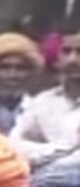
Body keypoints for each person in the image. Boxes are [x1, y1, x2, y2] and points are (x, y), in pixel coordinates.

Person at [12, 24, 80, 163]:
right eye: (66, 52)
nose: (73, 60)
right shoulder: (43, 102)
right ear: (57, 58)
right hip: (49, 181)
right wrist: (62, 150)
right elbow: (14, 144)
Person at [0, 31, 44, 120]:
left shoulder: (41, 110)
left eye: (20, 68)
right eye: (4, 68)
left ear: (31, 74)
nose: (12, 75)